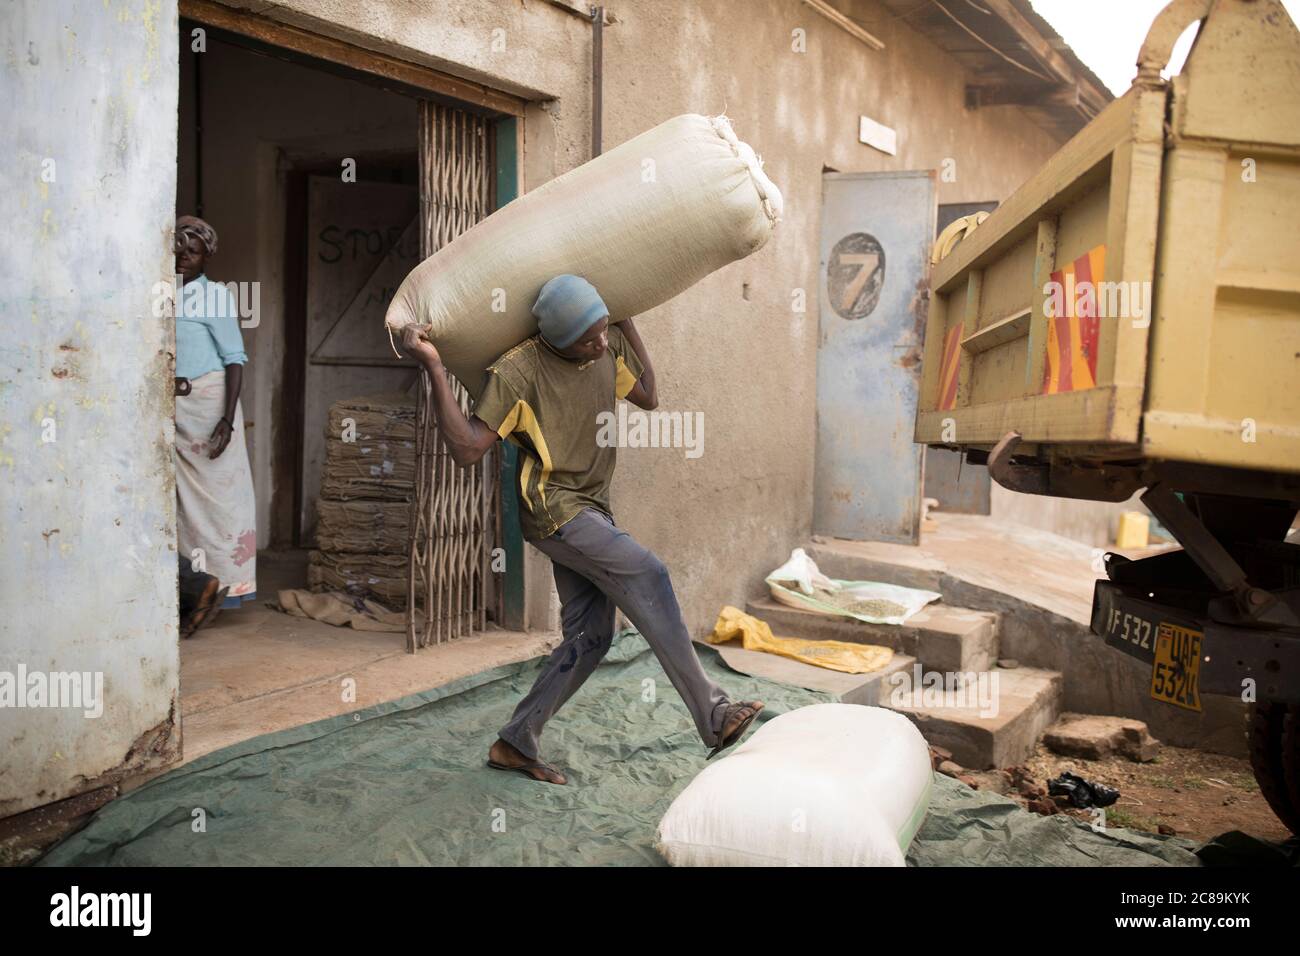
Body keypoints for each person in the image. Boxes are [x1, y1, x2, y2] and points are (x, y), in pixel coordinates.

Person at [400, 274, 763, 785]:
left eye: (601, 332)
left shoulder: (606, 342)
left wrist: (627, 314)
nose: (598, 345)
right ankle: (715, 713)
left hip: (593, 508)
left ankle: (515, 742)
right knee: (648, 572)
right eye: (587, 339)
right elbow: (466, 448)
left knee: (592, 636)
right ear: (555, 340)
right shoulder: (519, 371)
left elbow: (650, 396)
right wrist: (435, 366)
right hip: (553, 510)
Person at [173, 215, 257, 633]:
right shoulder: (162, 293)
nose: (184, 256)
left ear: (207, 255)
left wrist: (227, 419)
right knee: (184, 506)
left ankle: (225, 581)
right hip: (175, 408)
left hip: (209, 407)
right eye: (179, 248)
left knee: (218, 501)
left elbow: (234, 360)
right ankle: (195, 587)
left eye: (193, 250)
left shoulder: (216, 297)